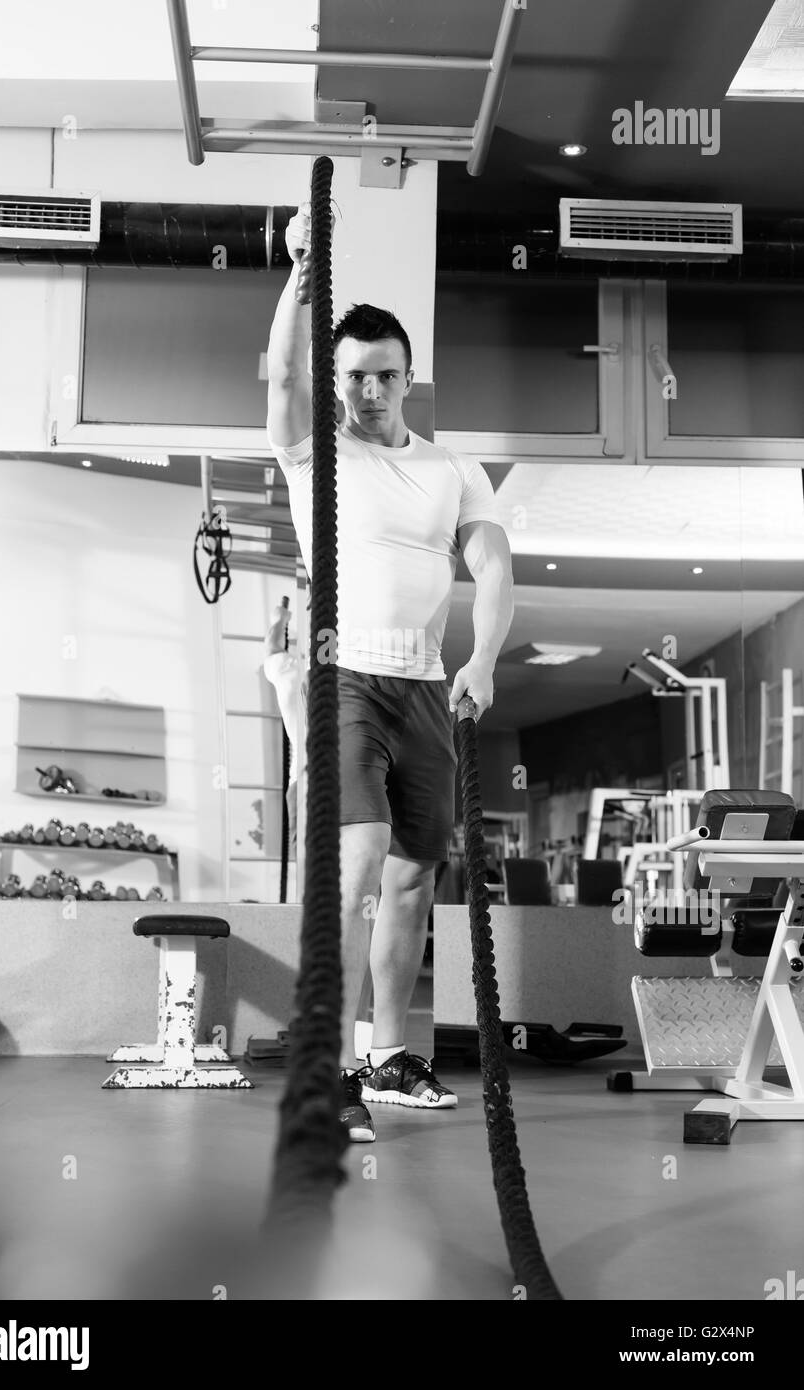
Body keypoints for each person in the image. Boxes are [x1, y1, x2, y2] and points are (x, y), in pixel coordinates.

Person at [266, 203, 514, 1143]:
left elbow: (492, 567)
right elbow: (282, 375)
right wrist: (297, 269)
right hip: (344, 679)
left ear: (410, 378)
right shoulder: (313, 454)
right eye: (354, 377)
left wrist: (484, 659)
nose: (369, 392)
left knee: (415, 879)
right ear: (338, 381)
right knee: (357, 868)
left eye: (385, 376)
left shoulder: (454, 469)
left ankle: (388, 1054)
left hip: (423, 688)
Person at [262, 601, 301, 859]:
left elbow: (273, 646)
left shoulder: (292, 671)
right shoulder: (354, 675)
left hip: (303, 781)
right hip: (353, 778)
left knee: (312, 867)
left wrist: (281, 619)